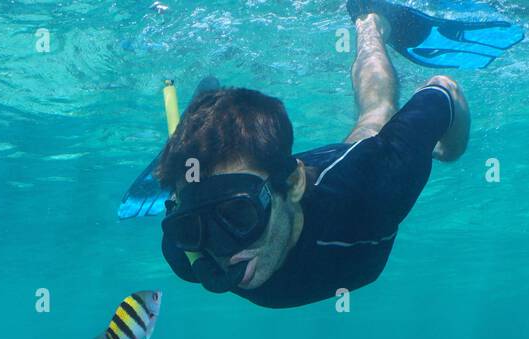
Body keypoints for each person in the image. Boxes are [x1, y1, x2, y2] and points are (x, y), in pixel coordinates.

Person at [157, 3, 470, 309]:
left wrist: (448, 152)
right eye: (192, 225)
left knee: (377, 115)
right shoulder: (188, 251)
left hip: (346, 178)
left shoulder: (378, 181)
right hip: (280, 175)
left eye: (238, 215)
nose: (222, 249)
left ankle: (370, 25)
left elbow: (445, 90)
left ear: (294, 184)